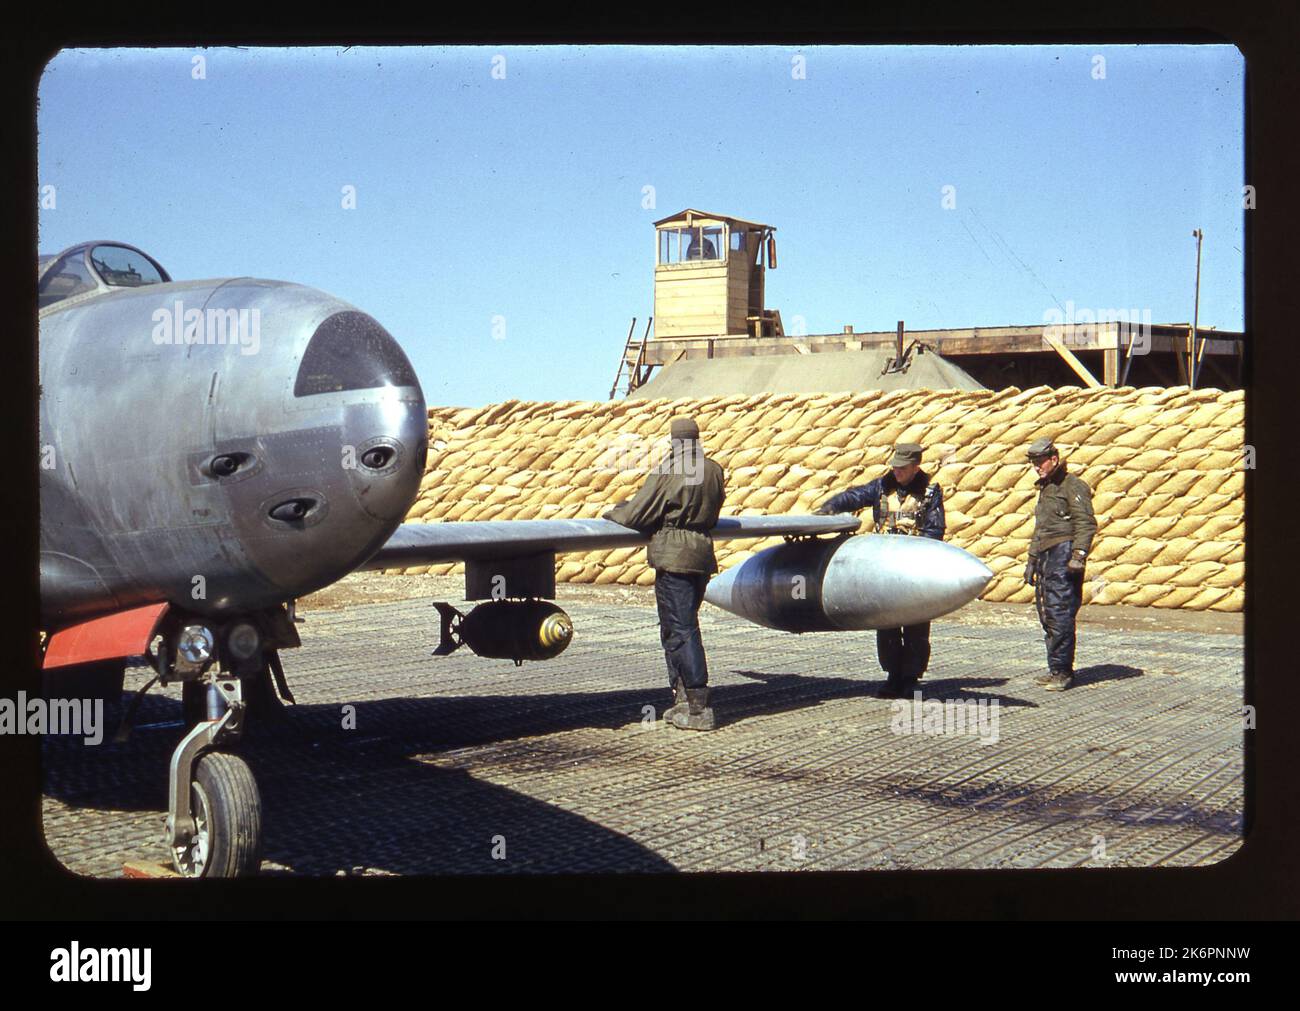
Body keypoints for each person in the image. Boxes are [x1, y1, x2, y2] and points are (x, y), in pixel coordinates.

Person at [604, 417, 726, 730]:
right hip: (701, 554)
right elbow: (713, 512)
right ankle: (683, 701)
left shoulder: (669, 470)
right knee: (681, 627)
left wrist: (614, 510)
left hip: (674, 556)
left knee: (681, 629)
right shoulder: (713, 469)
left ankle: (699, 707)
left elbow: (637, 513)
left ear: (674, 441)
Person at [816, 443, 945, 698]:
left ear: (915, 467)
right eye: (894, 467)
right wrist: (829, 508)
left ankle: (910, 677)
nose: (896, 472)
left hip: (913, 567)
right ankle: (892, 675)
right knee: (886, 623)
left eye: (902, 468)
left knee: (916, 624)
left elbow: (935, 529)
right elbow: (854, 496)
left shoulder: (930, 493)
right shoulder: (882, 487)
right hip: (883, 567)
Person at [1022, 437, 1097, 691]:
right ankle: (1055, 667)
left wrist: (1078, 555)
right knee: (1046, 612)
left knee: (1060, 613)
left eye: (1040, 462)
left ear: (1054, 459)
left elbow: (1086, 523)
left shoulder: (1072, 486)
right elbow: (1040, 528)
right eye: (1034, 463)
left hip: (1063, 554)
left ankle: (1063, 672)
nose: (1037, 467)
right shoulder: (1046, 489)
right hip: (1046, 555)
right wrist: (1032, 560)